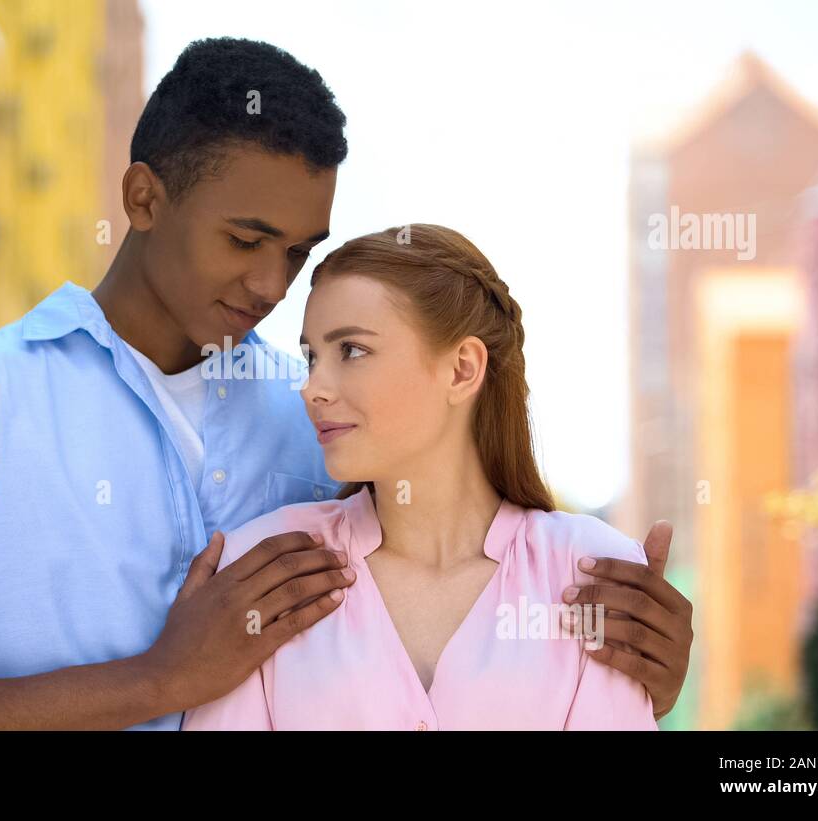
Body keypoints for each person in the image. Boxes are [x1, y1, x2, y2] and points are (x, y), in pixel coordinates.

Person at [0, 39, 691, 731]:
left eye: (297, 252)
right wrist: (159, 679)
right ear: (144, 198)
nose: (272, 284)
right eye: (245, 239)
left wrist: (645, 663)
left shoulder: (319, 418)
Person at [183, 225, 666, 729]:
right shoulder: (262, 570)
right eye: (311, 358)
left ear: (462, 369)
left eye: (351, 350)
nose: (312, 388)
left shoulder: (592, 573)